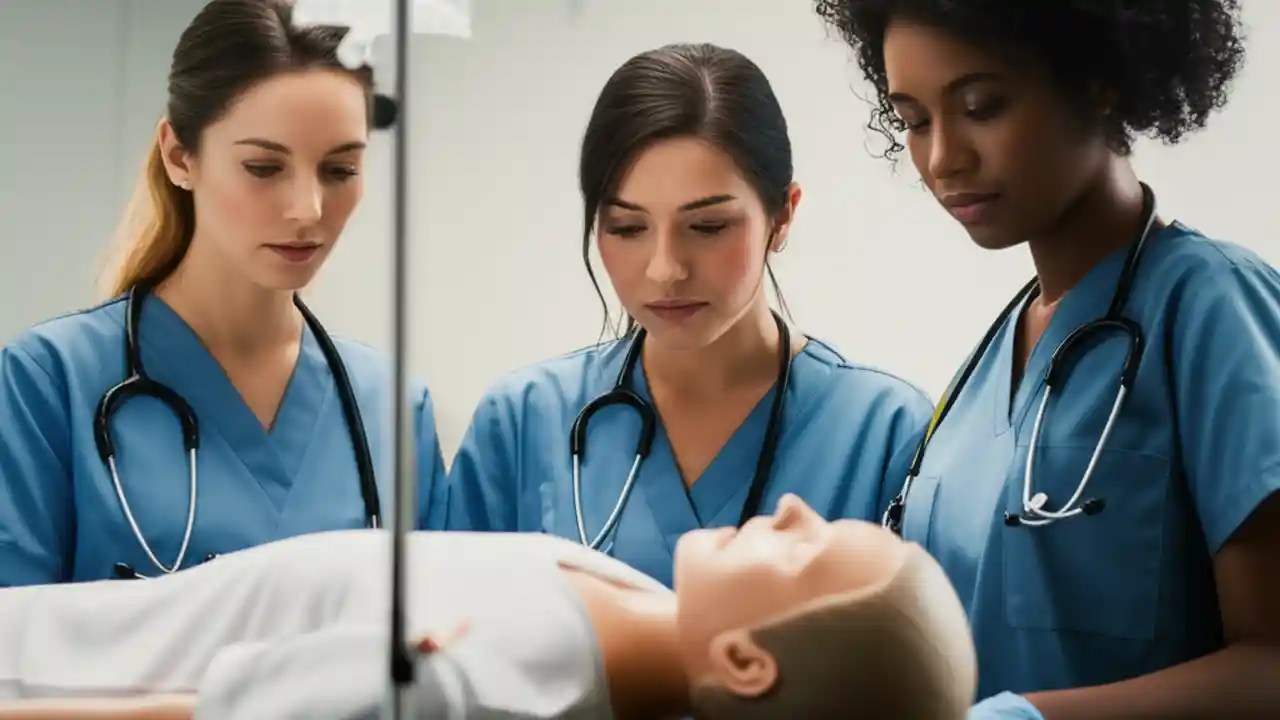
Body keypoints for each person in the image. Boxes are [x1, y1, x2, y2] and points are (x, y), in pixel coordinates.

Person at [813, 1, 1280, 717]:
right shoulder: (977, 377)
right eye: (914, 120)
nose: (943, 159)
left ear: (1099, 82)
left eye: (981, 106)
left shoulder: (1213, 308)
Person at [443, 42, 934, 588]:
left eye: (708, 227)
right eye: (628, 229)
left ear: (782, 216)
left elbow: (920, 664)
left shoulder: (885, 432)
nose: (664, 270)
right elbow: (458, 643)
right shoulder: (522, 422)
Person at [0, 0, 447, 587]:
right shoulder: (49, 381)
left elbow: (441, 635)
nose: (307, 210)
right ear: (179, 155)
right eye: (264, 168)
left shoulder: (390, 408)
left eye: (339, 171)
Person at [0, 494, 977, 719]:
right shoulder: (631, 602)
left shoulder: (492, 682)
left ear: (744, 664)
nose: (797, 509)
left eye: (805, 550)